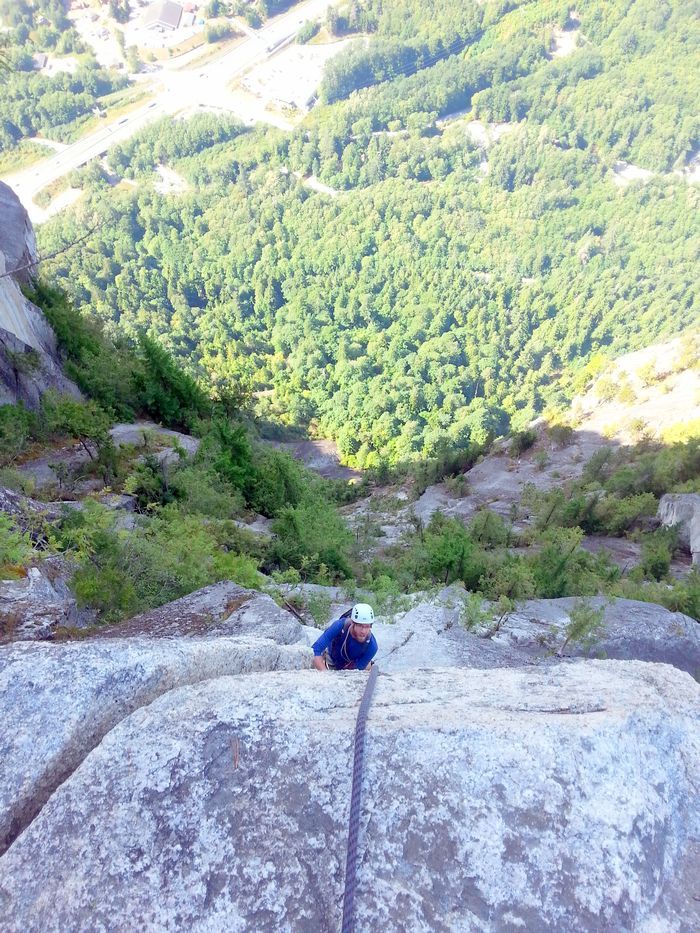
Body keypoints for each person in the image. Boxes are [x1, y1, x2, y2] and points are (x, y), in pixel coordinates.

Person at [312, 603, 378, 671]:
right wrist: (325, 674)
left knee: (366, 668)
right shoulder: (340, 626)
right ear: (353, 623)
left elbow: (357, 671)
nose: (363, 631)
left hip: (352, 665)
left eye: (367, 626)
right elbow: (315, 649)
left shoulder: (372, 647)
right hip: (331, 659)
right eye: (360, 626)